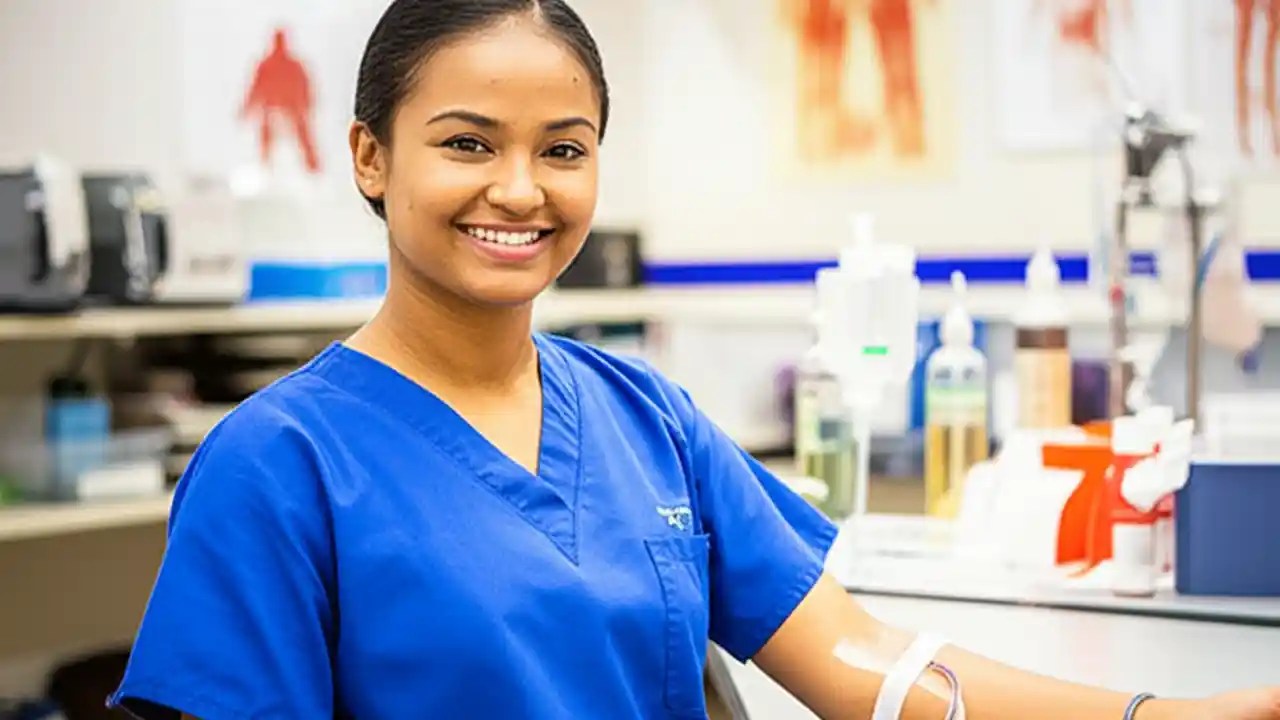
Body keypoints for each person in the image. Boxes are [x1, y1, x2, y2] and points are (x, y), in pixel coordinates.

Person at [109, 1, 1280, 718]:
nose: (519, 189)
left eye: (561, 149)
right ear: (370, 156)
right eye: (467, 143)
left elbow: (859, 661)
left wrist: (1159, 716)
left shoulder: (643, 416)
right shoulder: (275, 464)